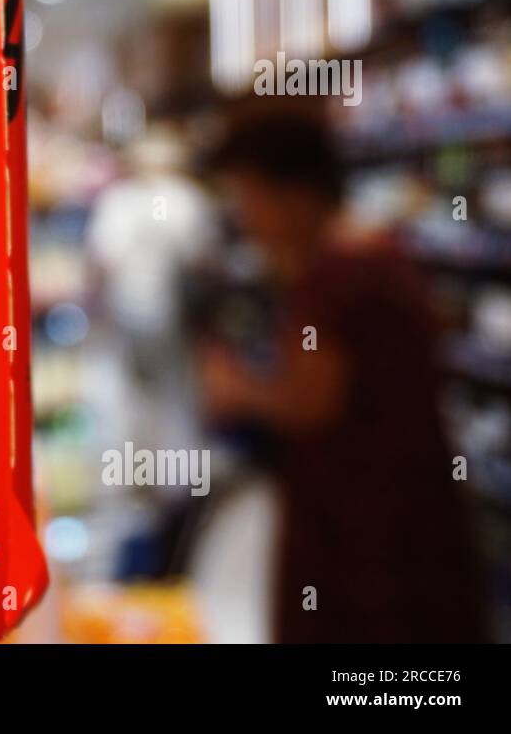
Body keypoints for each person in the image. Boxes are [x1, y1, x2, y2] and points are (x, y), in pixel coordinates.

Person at [200, 108, 488, 643]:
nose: (248, 219)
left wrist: (233, 388)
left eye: (251, 199)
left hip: (368, 539)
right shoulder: (371, 254)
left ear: (294, 193)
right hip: (400, 522)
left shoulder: (338, 273)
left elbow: (312, 402)